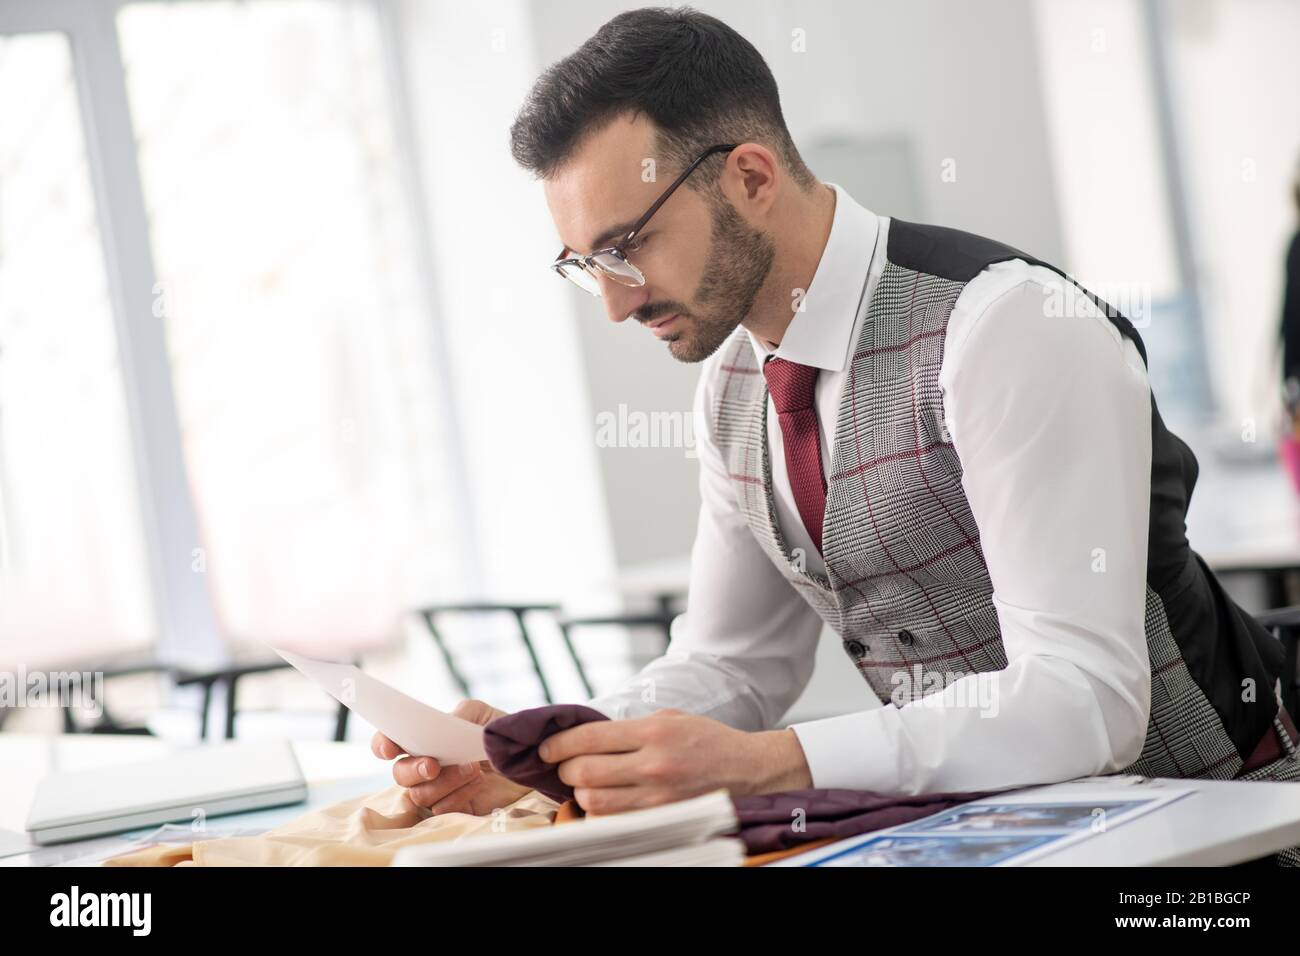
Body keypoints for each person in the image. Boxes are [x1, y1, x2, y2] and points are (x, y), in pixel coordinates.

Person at [373, 8, 1299, 863]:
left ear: (750, 177)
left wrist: (771, 763)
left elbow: (1086, 699)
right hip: (1003, 836)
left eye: (628, 247)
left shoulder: (1010, 326)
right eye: (585, 265)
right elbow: (732, 664)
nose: (613, 303)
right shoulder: (734, 386)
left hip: (1223, 828)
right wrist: (552, 754)